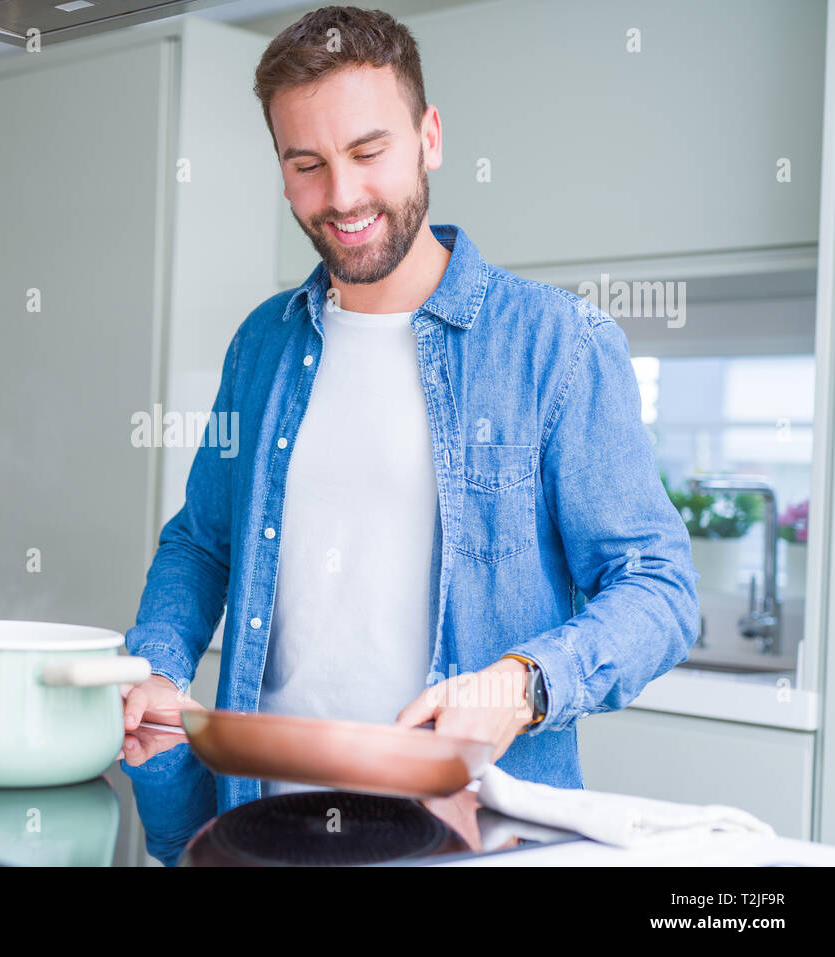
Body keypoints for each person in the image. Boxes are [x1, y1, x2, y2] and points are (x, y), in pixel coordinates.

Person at [120, 5, 700, 865]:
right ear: (281, 172)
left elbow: (659, 586)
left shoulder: (557, 347)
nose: (343, 196)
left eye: (368, 152)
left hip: (472, 841)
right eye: (307, 164)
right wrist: (159, 666)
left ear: (429, 136)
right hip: (263, 829)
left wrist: (524, 683)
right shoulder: (263, 344)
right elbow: (204, 544)